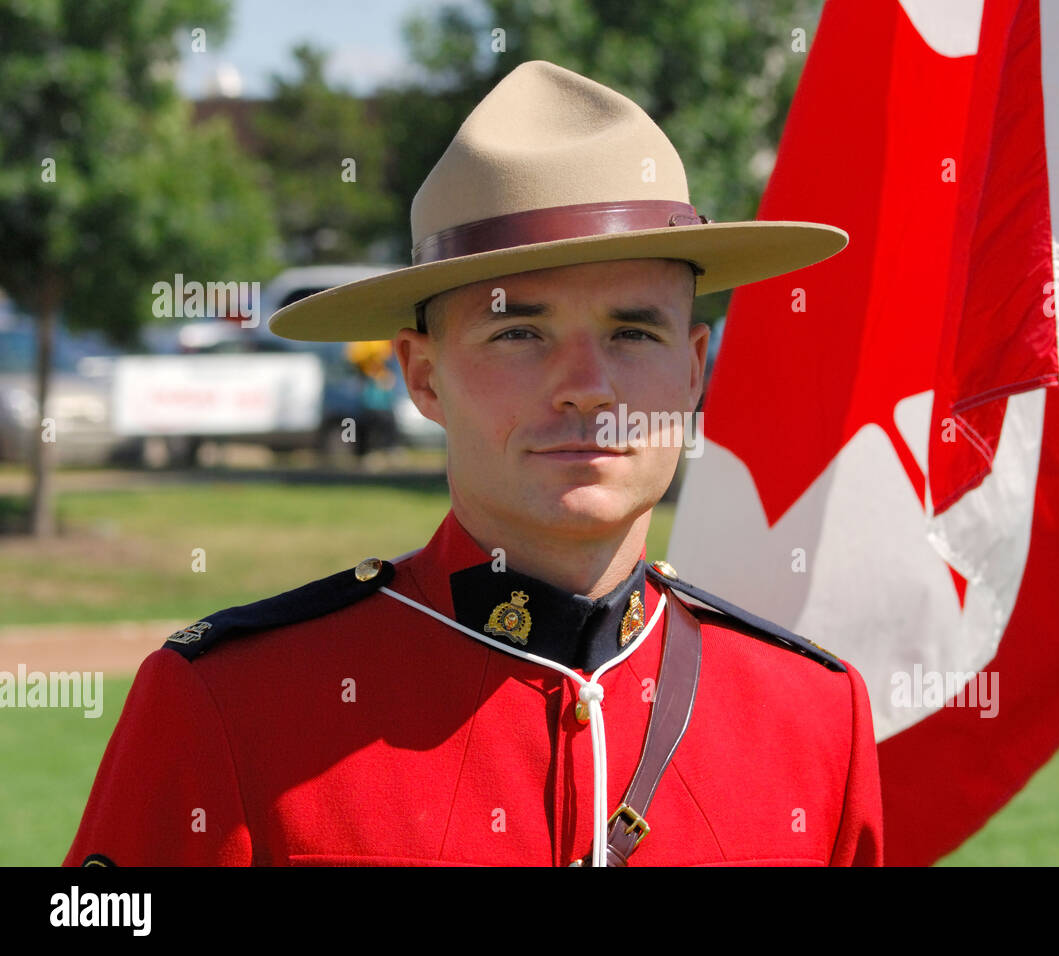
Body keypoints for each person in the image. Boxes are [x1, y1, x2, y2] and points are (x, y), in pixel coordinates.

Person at [64, 59, 882, 867]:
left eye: (634, 333)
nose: (587, 389)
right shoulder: (231, 706)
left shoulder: (813, 719)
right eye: (519, 333)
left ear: (693, 369)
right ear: (422, 375)